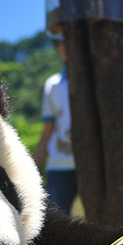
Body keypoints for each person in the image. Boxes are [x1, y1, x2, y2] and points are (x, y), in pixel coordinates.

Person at [33, 36, 77, 213]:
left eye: (66, 41)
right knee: (53, 218)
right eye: (59, 43)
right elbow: (48, 131)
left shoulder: (96, 81)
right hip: (59, 164)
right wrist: (32, 170)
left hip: (91, 164)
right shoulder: (53, 85)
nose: (63, 47)